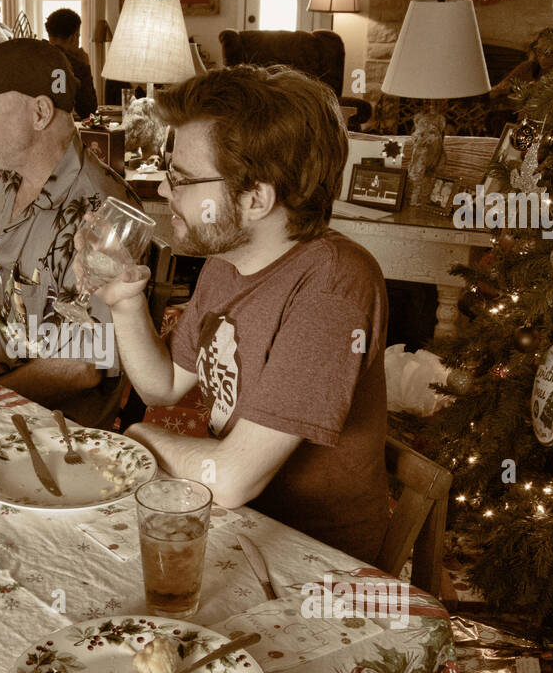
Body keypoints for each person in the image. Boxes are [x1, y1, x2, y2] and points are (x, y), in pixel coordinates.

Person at [86, 66, 391, 563]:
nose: (164, 191)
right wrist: (124, 302)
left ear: (255, 198)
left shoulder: (334, 286)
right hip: (235, 525)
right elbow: (161, 386)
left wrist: (138, 437)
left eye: (181, 179)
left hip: (314, 561)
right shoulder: (226, 263)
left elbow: (230, 479)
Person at [0, 39, 143, 425]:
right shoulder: (4, 181)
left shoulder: (103, 212)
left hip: (47, 434)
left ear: (40, 112)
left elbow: (82, 365)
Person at [44, 8, 98, 120]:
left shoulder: (36, 56)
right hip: (62, 128)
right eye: (78, 36)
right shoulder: (75, 65)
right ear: (73, 37)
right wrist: (86, 67)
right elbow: (88, 111)